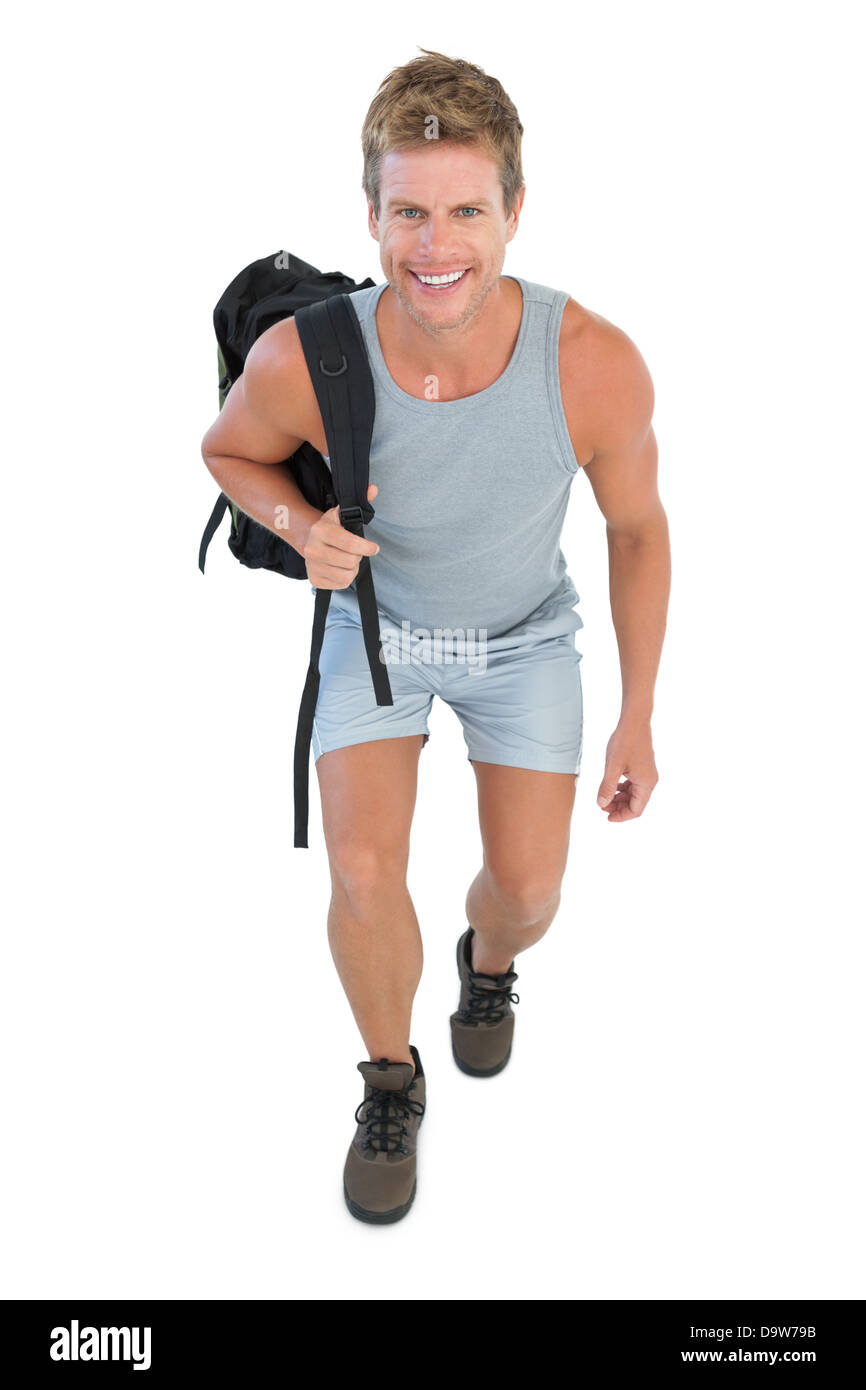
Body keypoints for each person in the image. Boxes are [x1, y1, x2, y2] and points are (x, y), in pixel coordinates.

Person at [200, 48, 671, 1225]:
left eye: (465, 209)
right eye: (406, 210)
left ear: (515, 209)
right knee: (361, 870)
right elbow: (227, 451)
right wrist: (298, 524)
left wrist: (636, 711)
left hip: (521, 638)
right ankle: (389, 1081)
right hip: (376, 630)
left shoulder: (590, 363)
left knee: (527, 889)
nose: (433, 243)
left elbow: (635, 533)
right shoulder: (305, 356)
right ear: (369, 214)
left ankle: (489, 964)